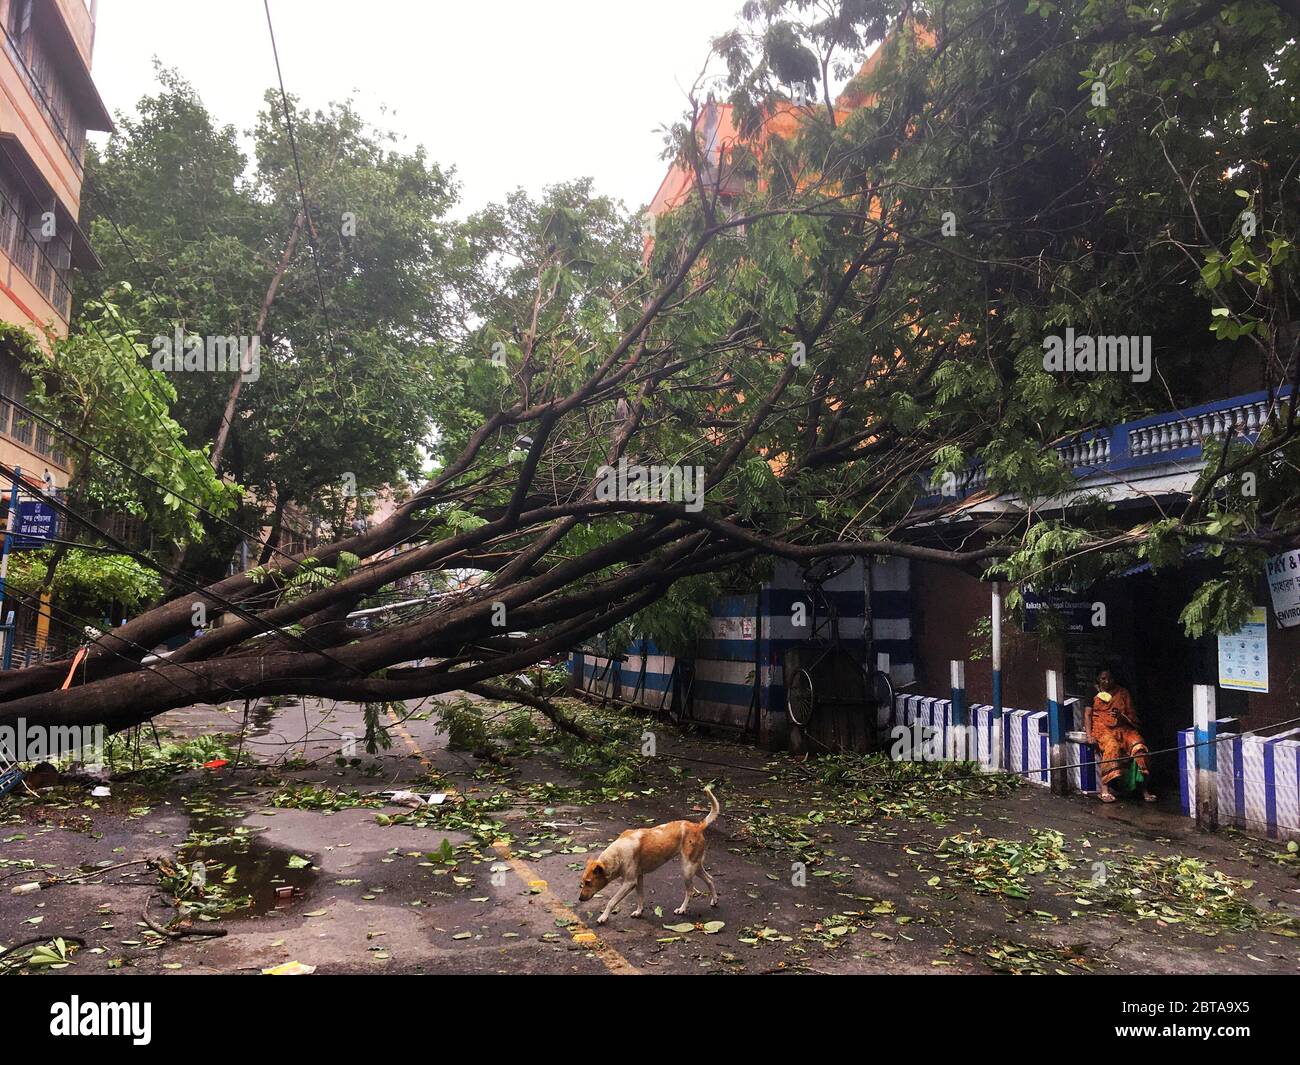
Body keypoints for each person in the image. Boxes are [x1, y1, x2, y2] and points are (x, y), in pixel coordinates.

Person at [1086, 668, 1156, 804]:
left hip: (1123, 728)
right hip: (1102, 728)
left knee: (1139, 746)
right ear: (1098, 680)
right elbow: (1088, 715)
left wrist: (1121, 716)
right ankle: (1104, 789)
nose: (1107, 682)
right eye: (1103, 679)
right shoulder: (1092, 692)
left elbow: (1132, 717)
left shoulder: (1122, 693)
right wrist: (1089, 735)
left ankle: (1143, 789)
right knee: (1112, 746)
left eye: (1110, 679)